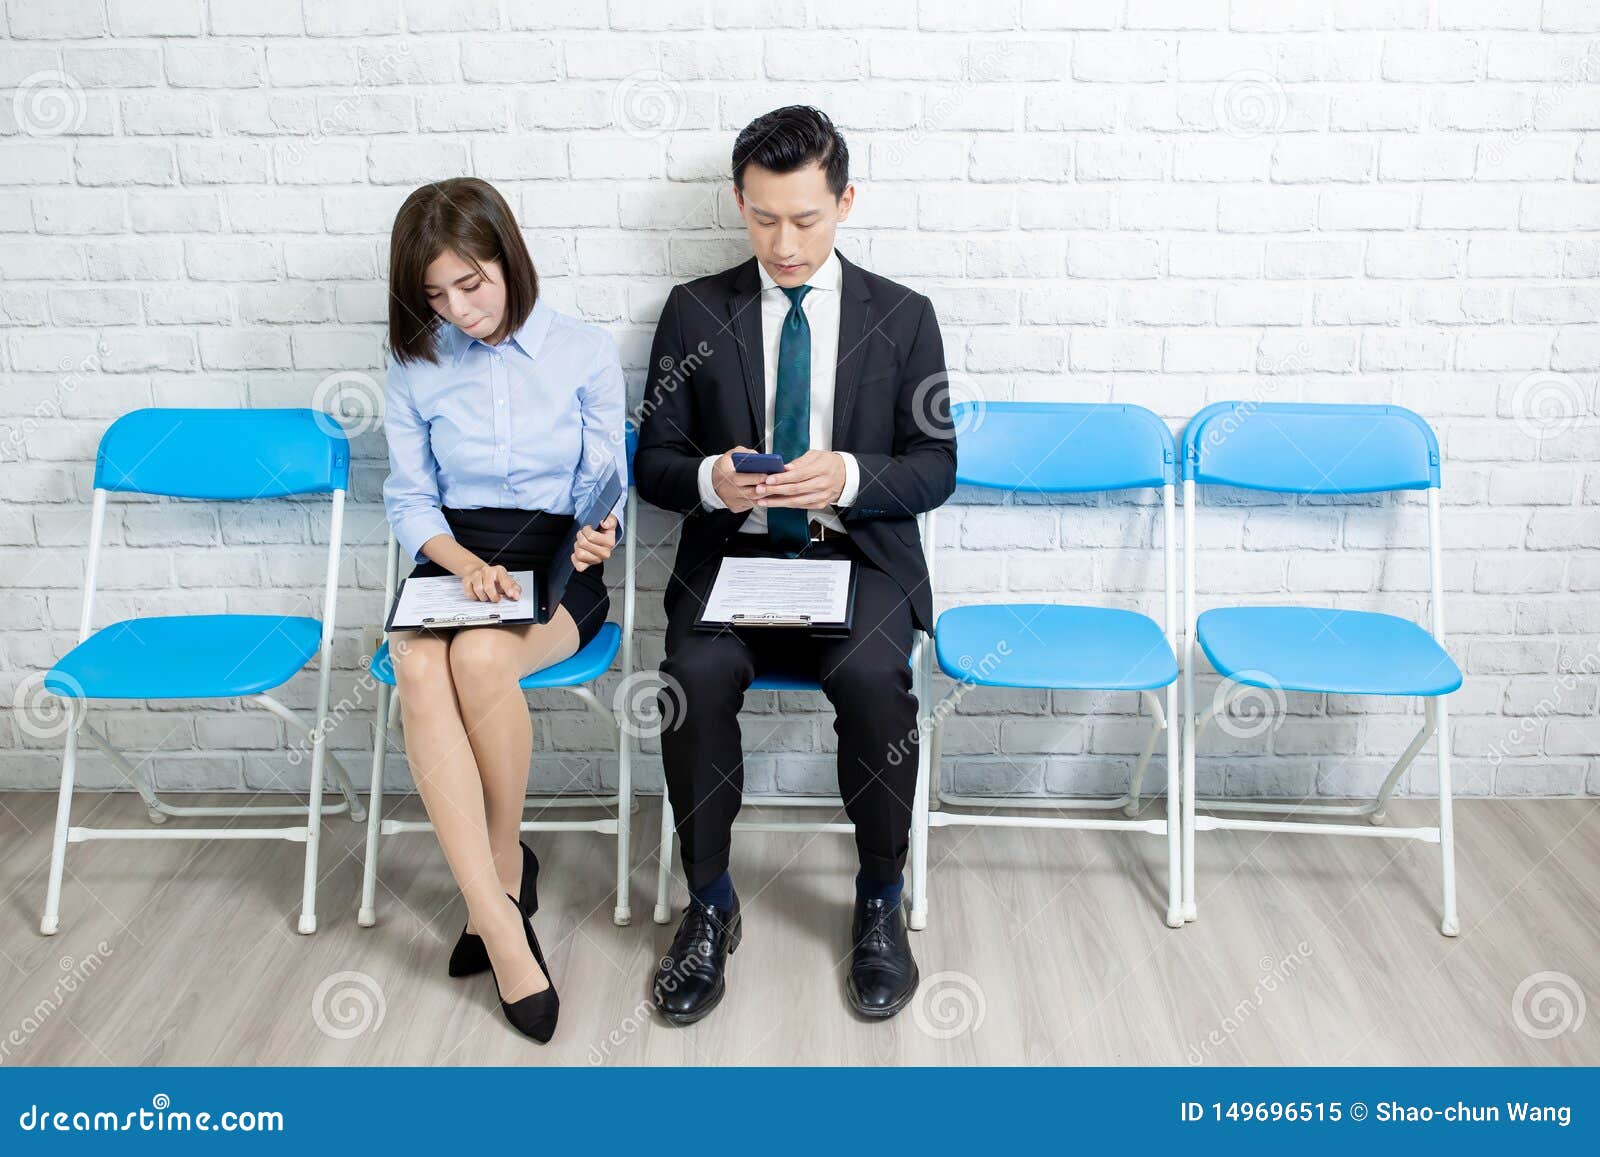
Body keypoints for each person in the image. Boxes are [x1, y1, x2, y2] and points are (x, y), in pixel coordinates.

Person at [636, 106, 955, 1023]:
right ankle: (708, 903)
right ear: (739, 202)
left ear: (844, 202)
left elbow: (937, 466)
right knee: (690, 676)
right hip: (732, 557)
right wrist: (711, 478)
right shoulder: (697, 310)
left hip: (855, 556)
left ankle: (880, 898)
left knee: (874, 682)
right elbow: (653, 463)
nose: (784, 242)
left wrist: (850, 475)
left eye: (806, 220)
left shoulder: (905, 316)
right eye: (763, 217)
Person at [381, 177, 627, 1043]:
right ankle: (498, 911)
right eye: (435, 295)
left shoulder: (585, 351)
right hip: (457, 556)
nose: (457, 308)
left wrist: (599, 535)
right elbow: (411, 500)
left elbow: (605, 487)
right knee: (418, 660)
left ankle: (503, 857)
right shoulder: (417, 364)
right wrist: (462, 563)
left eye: (471, 284)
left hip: (557, 556)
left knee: (481, 659)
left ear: (508, 258)